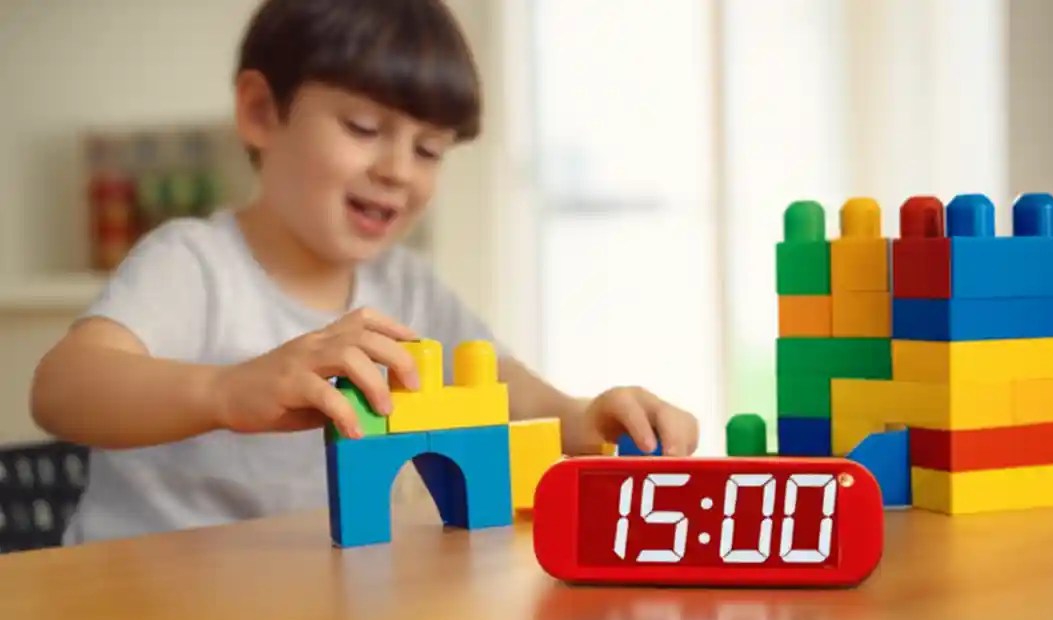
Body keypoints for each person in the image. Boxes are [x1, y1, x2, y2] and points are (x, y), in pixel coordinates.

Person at [27, 0, 699, 544]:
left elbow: (499, 382)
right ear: (262, 113)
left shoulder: (404, 286)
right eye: (363, 126)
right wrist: (227, 390)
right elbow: (63, 388)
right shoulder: (195, 263)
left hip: (306, 619)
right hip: (139, 616)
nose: (399, 170)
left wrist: (579, 417)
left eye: (430, 148)